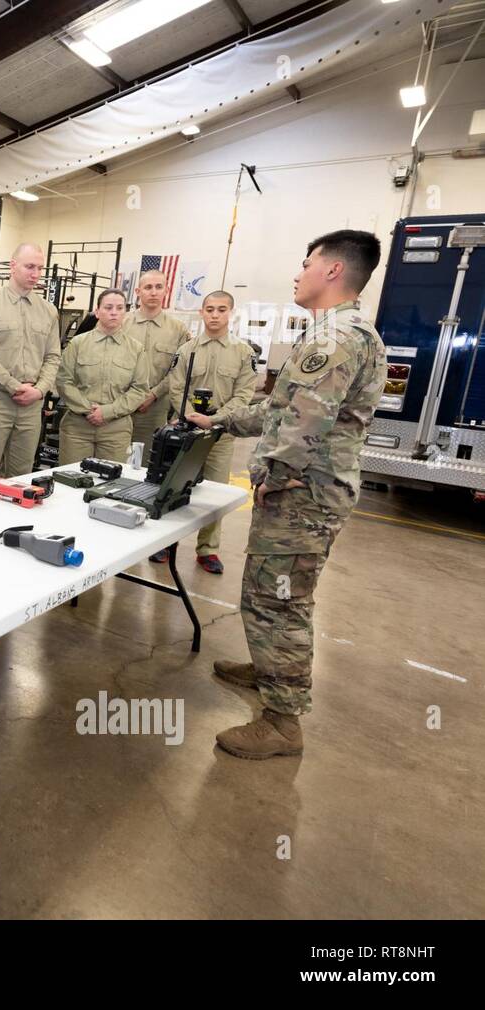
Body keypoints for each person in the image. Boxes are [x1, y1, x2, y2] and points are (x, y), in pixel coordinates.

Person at [187, 230, 386, 759]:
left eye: (306, 264)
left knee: (281, 600)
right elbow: (279, 408)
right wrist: (220, 421)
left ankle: (282, 721)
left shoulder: (335, 338)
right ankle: (270, 668)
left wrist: (273, 474)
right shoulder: (339, 332)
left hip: (303, 494)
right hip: (307, 489)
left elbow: (303, 423)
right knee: (270, 594)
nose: (297, 274)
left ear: (333, 271)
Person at [165, 290, 256, 573]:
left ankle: (207, 549)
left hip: (221, 435)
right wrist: (193, 416)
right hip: (188, 432)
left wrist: (216, 419)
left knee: (215, 492)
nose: (215, 315)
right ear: (201, 312)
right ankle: (168, 544)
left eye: (221, 309)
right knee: (176, 488)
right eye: (210, 309)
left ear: (231, 313)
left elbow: (244, 394)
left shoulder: (243, 353)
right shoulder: (187, 351)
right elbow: (177, 387)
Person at [0, 243, 61, 485]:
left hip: (31, 406)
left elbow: (53, 357)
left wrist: (39, 390)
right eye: (30, 266)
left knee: (21, 479)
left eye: (40, 268)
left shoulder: (49, 311)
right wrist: (13, 386)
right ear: (13, 265)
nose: (36, 274)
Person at [55, 289, 149, 466]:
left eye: (120, 308)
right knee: (72, 479)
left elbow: (139, 389)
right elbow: (64, 381)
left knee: (111, 484)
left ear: (125, 313)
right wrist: (88, 410)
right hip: (78, 427)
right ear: (97, 311)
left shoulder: (136, 349)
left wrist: (107, 412)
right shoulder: (78, 343)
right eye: (108, 307)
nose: (114, 312)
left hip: (116, 430)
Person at [123, 269, 191, 464]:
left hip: (154, 409)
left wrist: (153, 394)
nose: (153, 292)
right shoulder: (122, 323)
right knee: (115, 459)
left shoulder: (178, 329)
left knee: (145, 463)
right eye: (148, 287)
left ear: (166, 291)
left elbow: (178, 370)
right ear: (138, 291)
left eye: (158, 287)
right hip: (120, 405)